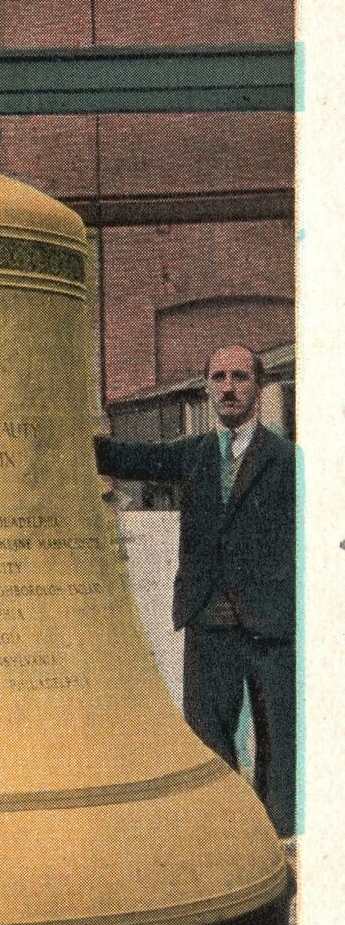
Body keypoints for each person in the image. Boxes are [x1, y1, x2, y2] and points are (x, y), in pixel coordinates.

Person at [94, 345, 296, 843]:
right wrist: (60, 427)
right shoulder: (195, 453)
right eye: (218, 377)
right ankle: (227, 831)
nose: (228, 387)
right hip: (208, 618)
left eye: (239, 377)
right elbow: (126, 456)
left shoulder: (288, 460)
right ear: (208, 387)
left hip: (271, 625)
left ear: (259, 386)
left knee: (278, 739)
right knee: (207, 734)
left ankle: (276, 840)